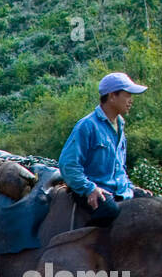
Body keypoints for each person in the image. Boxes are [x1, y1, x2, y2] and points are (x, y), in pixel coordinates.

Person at [58, 72, 154, 225]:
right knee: (109, 211)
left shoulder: (120, 125)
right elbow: (68, 164)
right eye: (127, 95)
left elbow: (119, 168)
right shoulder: (87, 126)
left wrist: (131, 188)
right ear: (112, 96)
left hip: (118, 190)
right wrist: (89, 189)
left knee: (152, 205)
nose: (131, 100)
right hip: (95, 189)